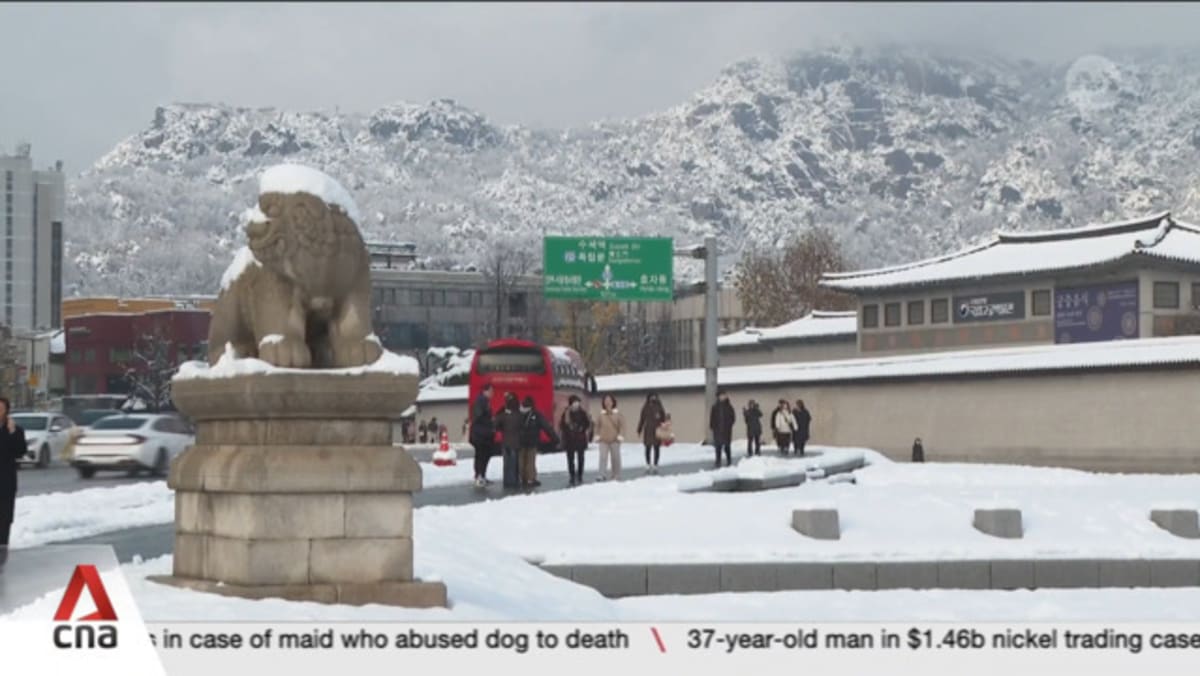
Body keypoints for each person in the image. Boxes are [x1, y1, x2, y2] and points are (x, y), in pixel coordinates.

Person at [1, 397, 26, 570]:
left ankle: (2, 550)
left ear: (6, 410)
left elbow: (20, 451)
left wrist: (12, 433)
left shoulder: (15, 430)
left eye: (1, 408)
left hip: (5, 480)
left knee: (4, 518)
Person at [518, 396, 557, 489]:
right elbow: (546, 427)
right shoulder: (536, 414)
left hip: (520, 441)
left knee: (521, 461)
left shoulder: (517, 413)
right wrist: (554, 438)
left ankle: (522, 478)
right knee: (531, 461)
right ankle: (530, 479)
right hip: (532, 441)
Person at [559, 395, 593, 486]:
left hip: (580, 439)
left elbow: (587, 423)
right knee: (570, 459)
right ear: (571, 404)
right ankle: (572, 475)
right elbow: (562, 425)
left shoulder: (582, 413)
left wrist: (581, 428)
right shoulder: (566, 413)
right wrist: (569, 430)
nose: (576, 404)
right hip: (569, 439)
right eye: (574, 402)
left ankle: (580, 475)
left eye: (577, 402)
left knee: (581, 458)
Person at [494, 393, 524, 489]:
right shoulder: (519, 415)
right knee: (515, 464)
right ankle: (514, 481)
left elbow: (495, 424)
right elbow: (522, 427)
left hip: (505, 442)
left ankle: (507, 482)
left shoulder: (503, 415)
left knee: (507, 464)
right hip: (516, 443)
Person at [469, 385, 496, 488]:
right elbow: (478, 416)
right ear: (485, 391)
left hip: (484, 434)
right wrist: (490, 421)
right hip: (480, 435)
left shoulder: (485, 401)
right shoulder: (481, 401)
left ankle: (482, 475)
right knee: (481, 455)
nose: (492, 393)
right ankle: (479, 476)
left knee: (485, 456)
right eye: (491, 391)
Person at [595, 394, 624, 481]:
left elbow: (622, 426)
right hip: (603, 439)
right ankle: (601, 474)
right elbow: (597, 426)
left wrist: (620, 436)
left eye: (609, 401)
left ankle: (616, 474)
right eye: (606, 401)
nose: (607, 403)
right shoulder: (601, 415)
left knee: (615, 458)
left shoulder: (618, 414)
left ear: (613, 402)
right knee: (602, 457)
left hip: (615, 439)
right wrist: (597, 435)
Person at [637, 392, 667, 474]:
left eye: (654, 397)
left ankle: (655, 464)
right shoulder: (645, 407)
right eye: (651, 397)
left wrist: (664, 426)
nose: (653, 399)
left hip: (657, 429)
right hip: (648, 430)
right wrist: (639, 429)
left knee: (656, 447)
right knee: (647, 447)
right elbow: (642, 419)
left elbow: (663, 417)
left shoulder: (659, 406)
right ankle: (648, 463)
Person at [710, 390, 736, 468]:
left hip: (726, 430)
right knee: (718, 446)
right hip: (717, 430)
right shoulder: (715, 407)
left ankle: (729, 460)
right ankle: (718, 461)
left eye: (724, 395)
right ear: (718, 397)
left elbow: (733, 417)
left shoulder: (729, 406)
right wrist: (713, 427)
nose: (722, 397)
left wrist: (729, 425)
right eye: (721, 396)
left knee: (727, 446)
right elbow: (712, 418)